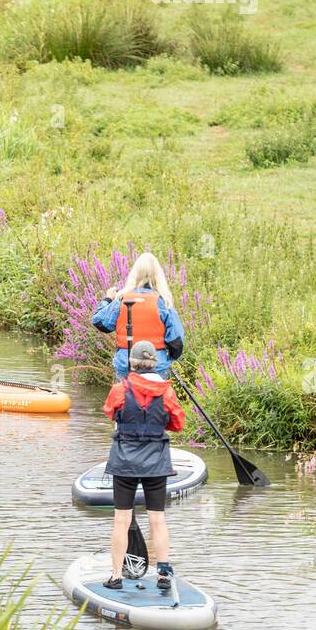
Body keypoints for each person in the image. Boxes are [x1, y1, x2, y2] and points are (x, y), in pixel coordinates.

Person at [102, 339, 186, 592]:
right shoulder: (167, 392)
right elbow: (177, 423)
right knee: (157, 519)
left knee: (121, 520)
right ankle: (162, 574)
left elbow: (109, 412)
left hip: (125, 461)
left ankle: (116, 576)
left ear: (132, 363)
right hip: (157, 462)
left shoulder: (120, 389)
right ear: (155, 363)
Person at [92, 251, 184, 380]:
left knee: (124, 400)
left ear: (135, 274)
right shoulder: (163, 302)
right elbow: (177, 342)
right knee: (156, 400)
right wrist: (168, 358)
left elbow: (99, 322)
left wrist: (108, 299)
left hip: (126, 365)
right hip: (157, 366)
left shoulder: (122, 299)